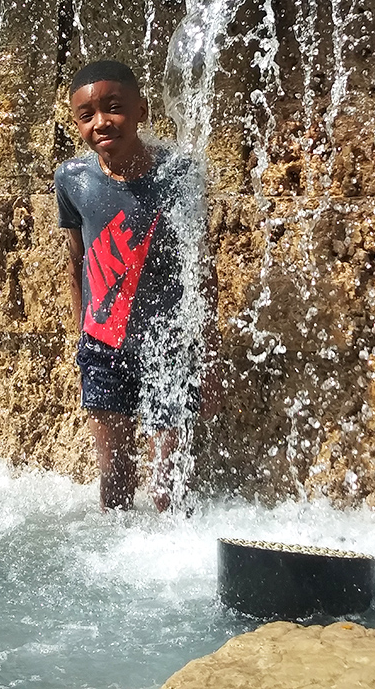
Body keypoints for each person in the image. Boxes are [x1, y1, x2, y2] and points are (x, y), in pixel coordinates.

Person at [54, 59, 220, 511]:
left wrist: (208, 353)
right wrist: (82, 336)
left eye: (114, 108)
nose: (101, 122)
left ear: (142, 110)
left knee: (170, 487)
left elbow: (201, 267)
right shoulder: (72, 180)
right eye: (87, 116)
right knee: (114, 484)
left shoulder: (178, 175)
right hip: (104, 346)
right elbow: (77, 259)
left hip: (170, 344)